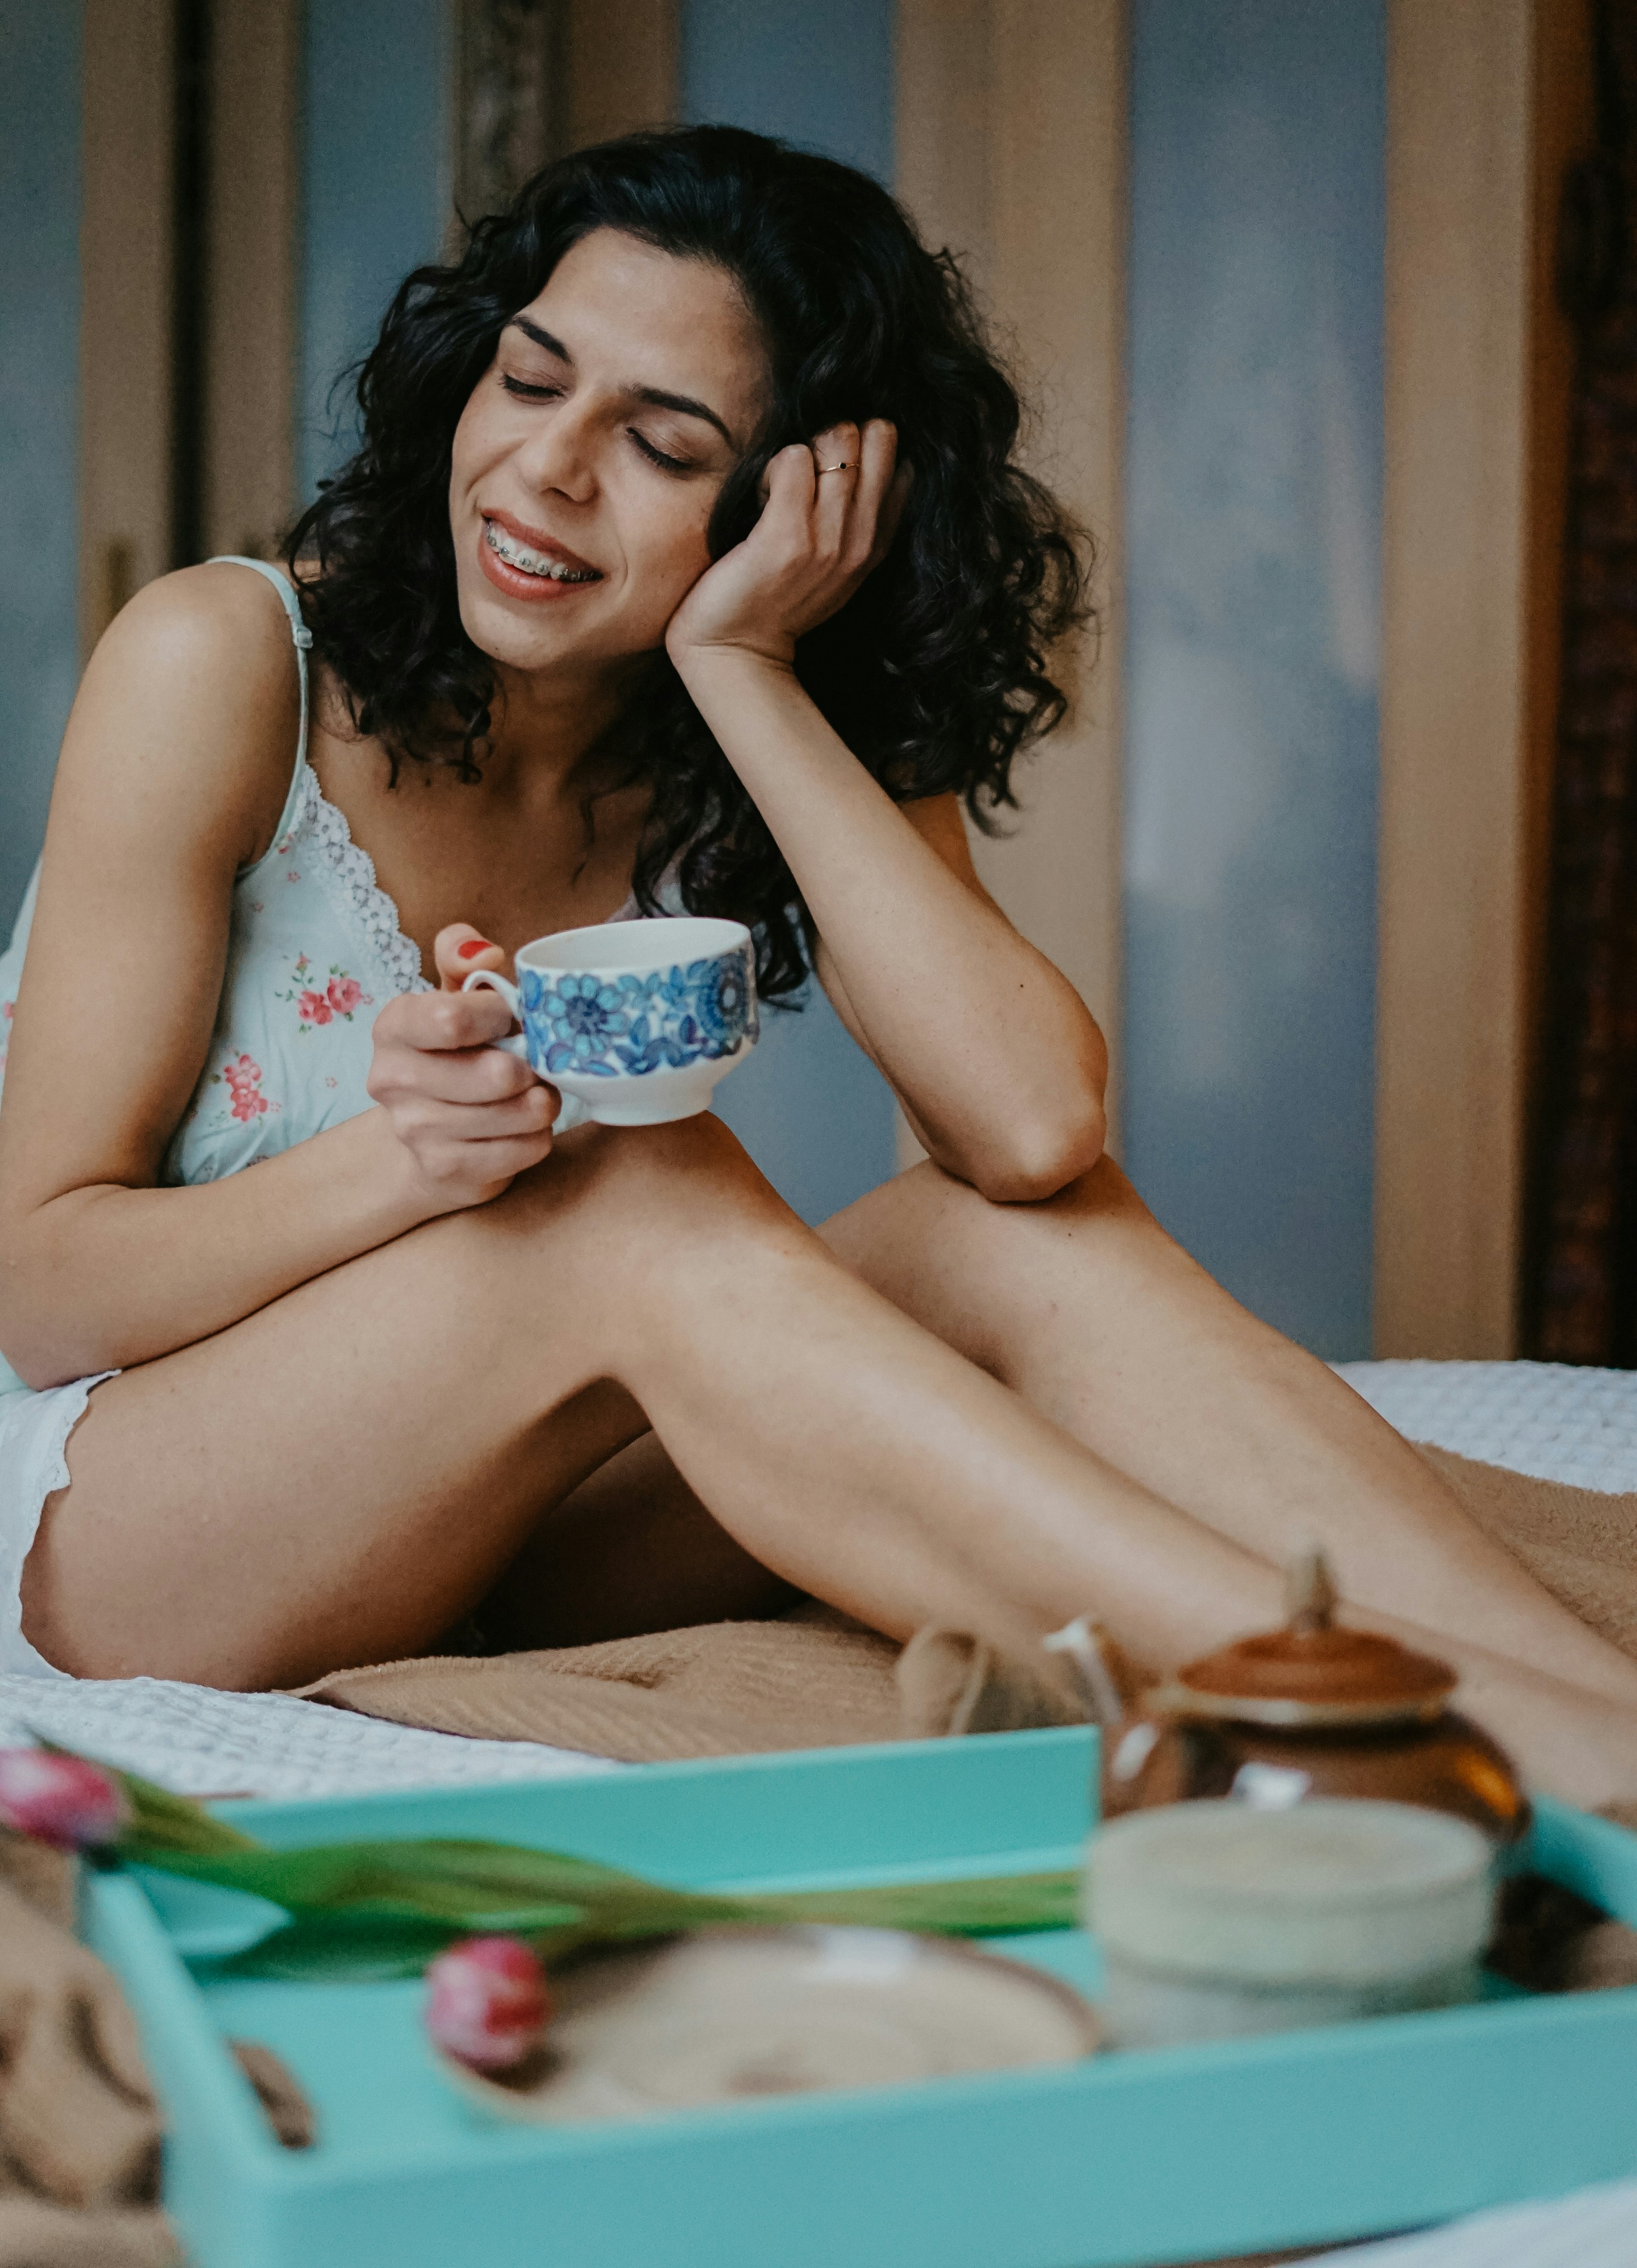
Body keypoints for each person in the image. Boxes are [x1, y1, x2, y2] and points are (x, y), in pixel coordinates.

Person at [0, 127, 1631, 1804]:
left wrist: (748, 668)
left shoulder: (729, 702)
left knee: (1002, 1241)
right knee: (640, 1192)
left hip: (510, 1512)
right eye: (531, 380)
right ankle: (1398, 1720)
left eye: (660, 443)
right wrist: (406, 1167)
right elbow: (43, 1287)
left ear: (791, 507)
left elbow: (1029, 1133)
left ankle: (1603, 1723)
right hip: (128, 1523)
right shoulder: (222, 661)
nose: (547, 471)